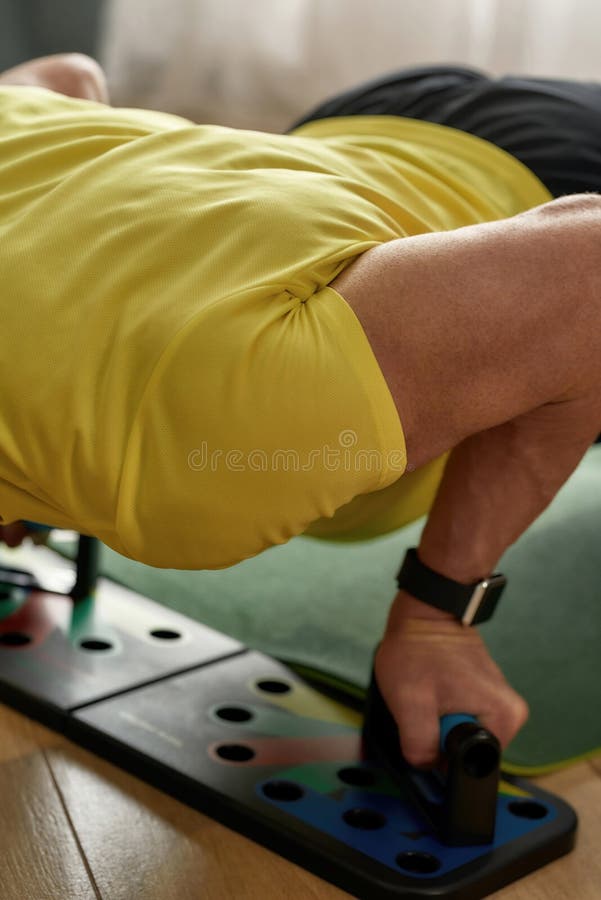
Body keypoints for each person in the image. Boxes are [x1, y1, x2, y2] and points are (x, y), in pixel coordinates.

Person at [1, 53, 601, 771]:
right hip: (359, 125)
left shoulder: (206, 458)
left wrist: (437, 615)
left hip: (559, 175)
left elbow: (589, 270)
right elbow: (64, 75)